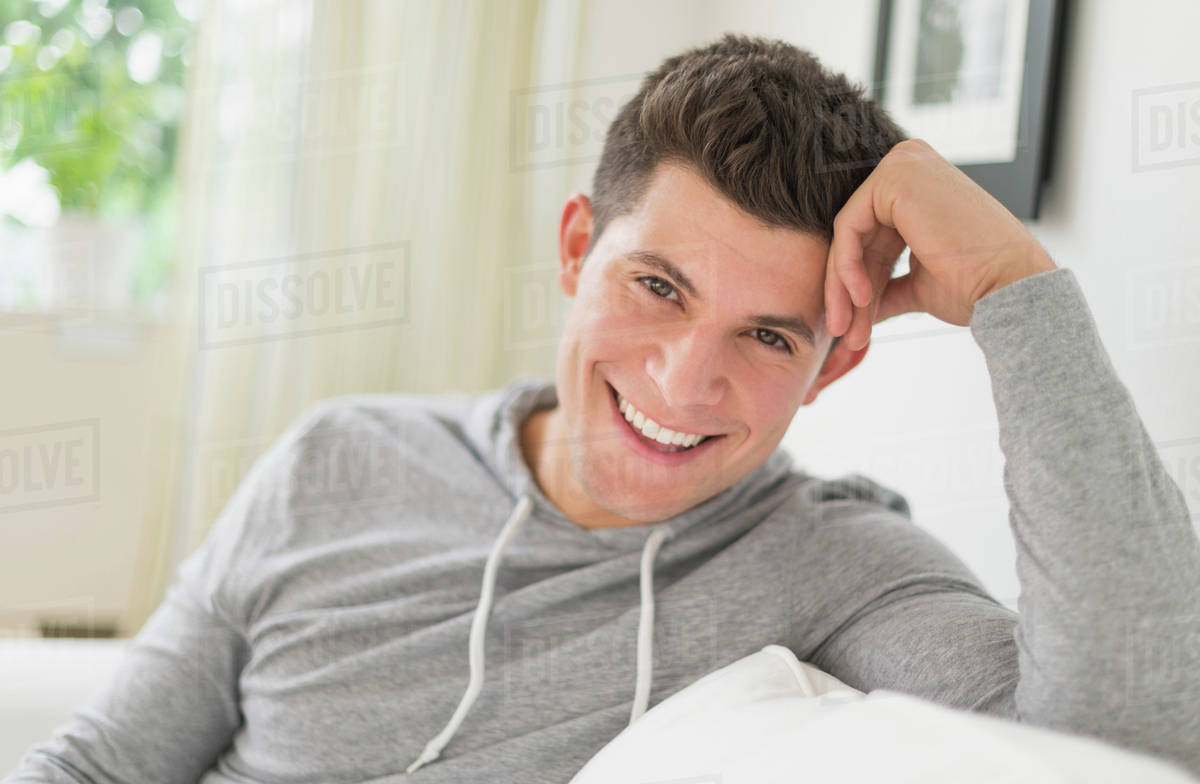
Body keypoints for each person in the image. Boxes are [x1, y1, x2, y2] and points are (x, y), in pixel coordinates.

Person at [7, 33, 1199, 784]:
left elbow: (1126, 741)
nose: (685, 383)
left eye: (768, 335)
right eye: (658, 286)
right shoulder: (340, 456)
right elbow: (106, 762)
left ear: (831, 365)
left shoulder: (840, 564)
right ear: (578, 248)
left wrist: (1012, 290)